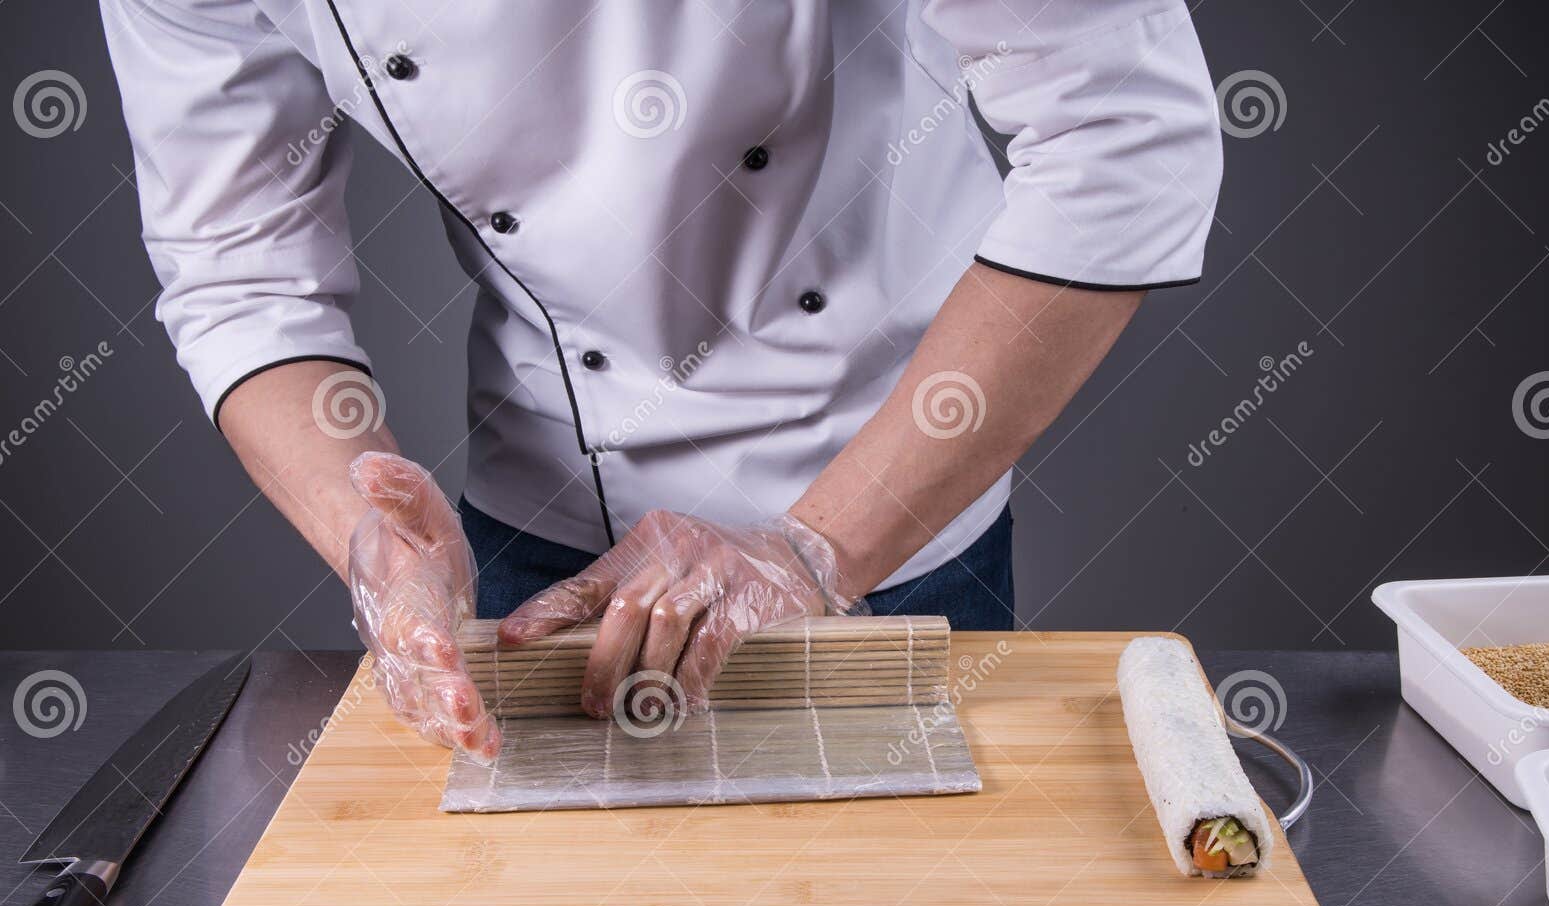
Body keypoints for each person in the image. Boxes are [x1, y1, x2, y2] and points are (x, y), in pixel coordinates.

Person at [101, 1, 1222, 759]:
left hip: (887, 491)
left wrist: (813, 547)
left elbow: (1123, 131)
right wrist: (369, 529)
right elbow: (237, 266)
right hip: (542, 525)